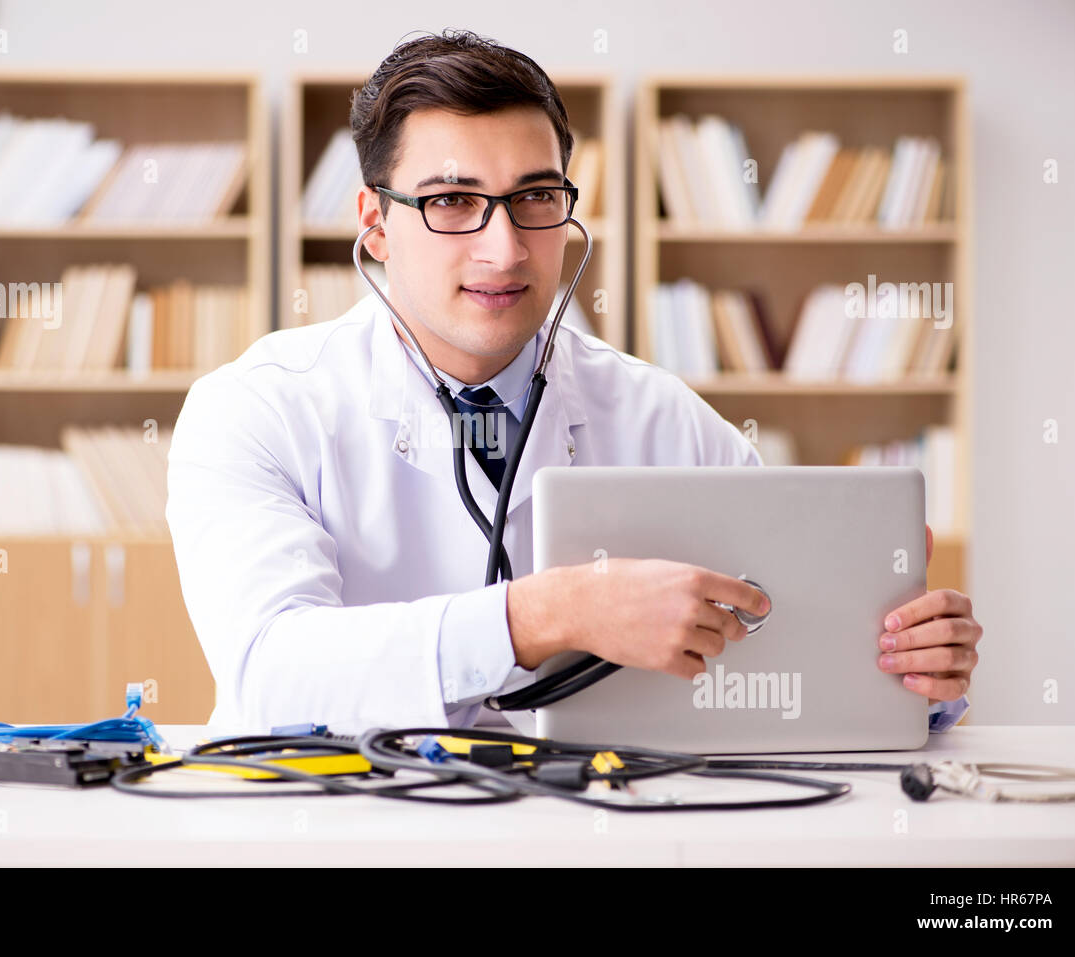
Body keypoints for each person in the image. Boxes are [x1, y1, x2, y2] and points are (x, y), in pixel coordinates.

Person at [165, 29, 981, 736]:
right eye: (453, 200)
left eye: (535, 198)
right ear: (376, 227)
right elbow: (272, 672)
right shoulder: (256, 409)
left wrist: (911, 671)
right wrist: (546, 614)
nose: (506, 249)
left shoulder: (659, 417)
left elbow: (789, 635)